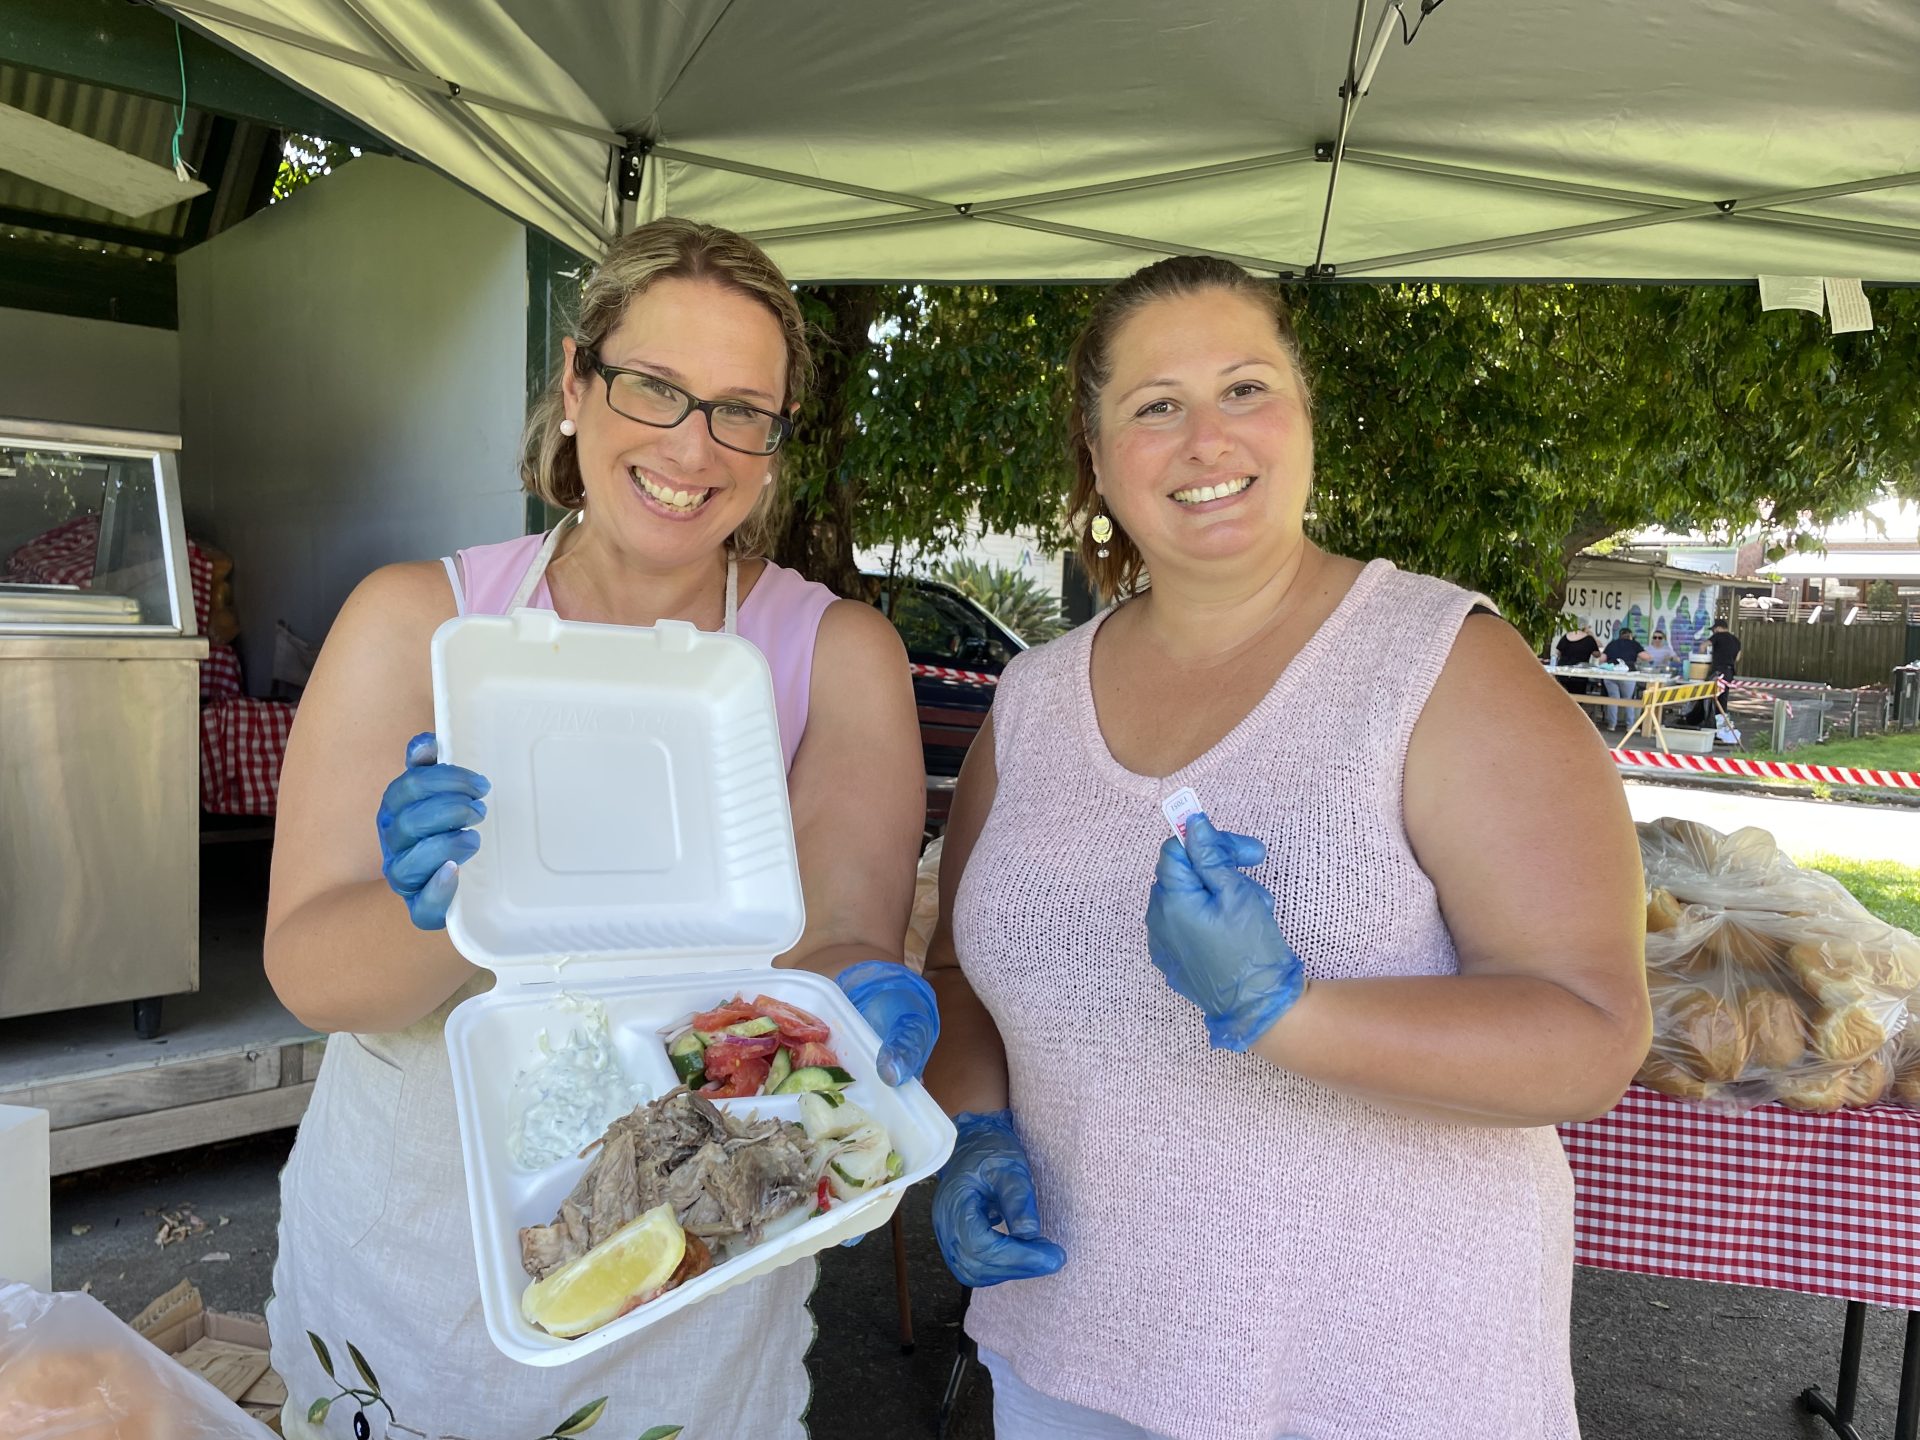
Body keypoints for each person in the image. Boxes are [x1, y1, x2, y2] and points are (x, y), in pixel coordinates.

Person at [920, 256, 1649, 1440]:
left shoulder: (1441, 663)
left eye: (1246, 389)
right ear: (1098, 460)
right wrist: (973, 1125)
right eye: (1157, 405)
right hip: (1072, 1355)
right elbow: (958, 973)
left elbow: (1589, 1038)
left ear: (1305, 419)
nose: (1207, 439)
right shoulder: (1034, 700)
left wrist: (1283, 1012)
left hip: (1387, 1384)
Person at [262, 218, 936, 1439]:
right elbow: (314, 978)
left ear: (777, 440)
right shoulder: (413, 622)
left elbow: (835, 941)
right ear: (576, 383)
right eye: (654, 387)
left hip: (696, 1255)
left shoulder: (836, 655)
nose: (692, 445)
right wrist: (446, 911)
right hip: (408, 1249)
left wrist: (860, 1005)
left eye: (742, 410)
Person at [1600, 626, 1645, 730]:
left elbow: (1602, 659)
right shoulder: (1634, 644)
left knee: (1613, 699)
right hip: (1627, 674)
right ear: (1630, 636)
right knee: (1628, 699)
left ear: (1620, 635)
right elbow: (1646, 657)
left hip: (1611, 674)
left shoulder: (1612, 643)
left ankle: (1612, 725)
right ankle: (1630, 726)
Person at [1551, 622, 1601, 698]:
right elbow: (1597, 655)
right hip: (1579, 674)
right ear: (1586, 627)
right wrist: (1593, 637)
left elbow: (1558, 653)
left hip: (1563, 672)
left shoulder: (1565, 636)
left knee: (1562, 696)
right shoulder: (1589, 639)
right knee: (1578, 697)